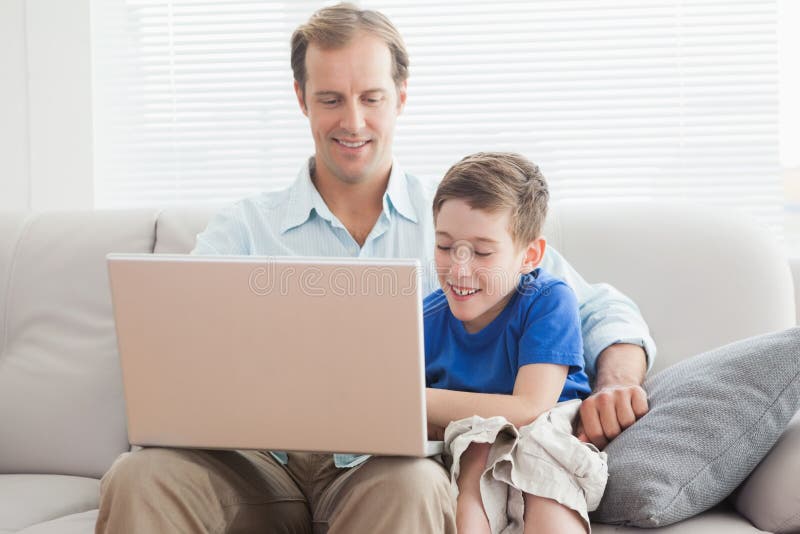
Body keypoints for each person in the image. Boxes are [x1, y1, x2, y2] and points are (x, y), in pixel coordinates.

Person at [96, 4, 654, 533]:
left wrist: (617, 380)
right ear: (301, 99)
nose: (353, 121)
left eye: (371, 97)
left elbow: (601, 307)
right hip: (255, 466)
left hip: (384, 468)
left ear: (400, 97)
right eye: (331, 98)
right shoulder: (245, 226)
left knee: (412, 486)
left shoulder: (456, 224)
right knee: (138, 477)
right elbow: (174, 338)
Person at [424, 152, 607, 534]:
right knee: (472, 455)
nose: (458, 268)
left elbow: (531, 406)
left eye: (483, 252)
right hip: (473, 441)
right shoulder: (427, 317)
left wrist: (413, 399)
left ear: (530, 255)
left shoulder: (548, 299)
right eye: (445, 247)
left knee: (540, 464)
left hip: (544, 428)